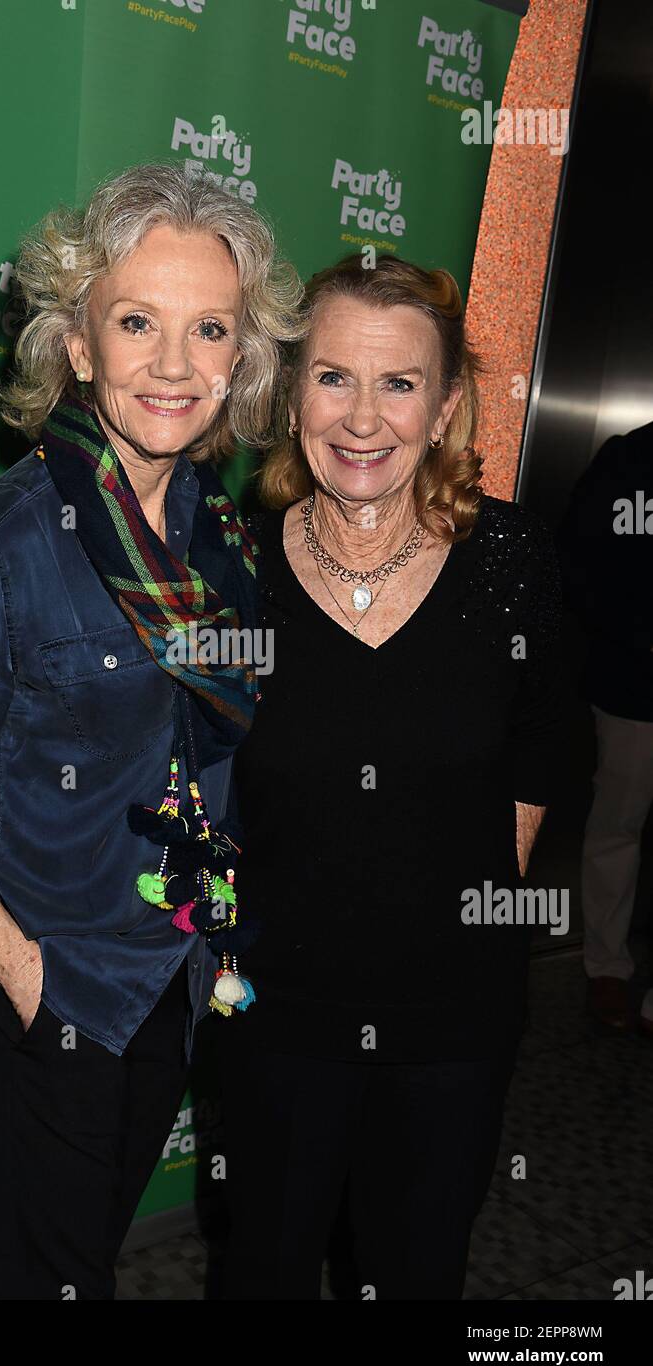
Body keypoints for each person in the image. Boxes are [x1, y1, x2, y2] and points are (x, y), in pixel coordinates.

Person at [0, 162, 301, 1300]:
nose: (173, 364)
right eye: (136, 322)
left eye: (209, 329)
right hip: (47, 988)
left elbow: (213, 748)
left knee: (83, 1260)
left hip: (170, 969)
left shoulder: (221, 540)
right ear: (76, 346)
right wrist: (17, 966)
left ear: (241, 358)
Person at [217, 252, 564, 1300]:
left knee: (414, 1276)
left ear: (447, 404)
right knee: (260, 1274)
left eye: (400, 384)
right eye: (334, 377)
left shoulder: (511, 563)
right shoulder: (229, 566)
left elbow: (538, 766)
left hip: (452, 1024)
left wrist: (437, 930)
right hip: (272, 1017)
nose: (364, 419)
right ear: (288, 392)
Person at [558, 423, 653, 1036]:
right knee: (619, 823)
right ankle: (607, 969)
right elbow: (579, 561)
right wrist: (638, 636)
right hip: (635, 683)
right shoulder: (631, 460)